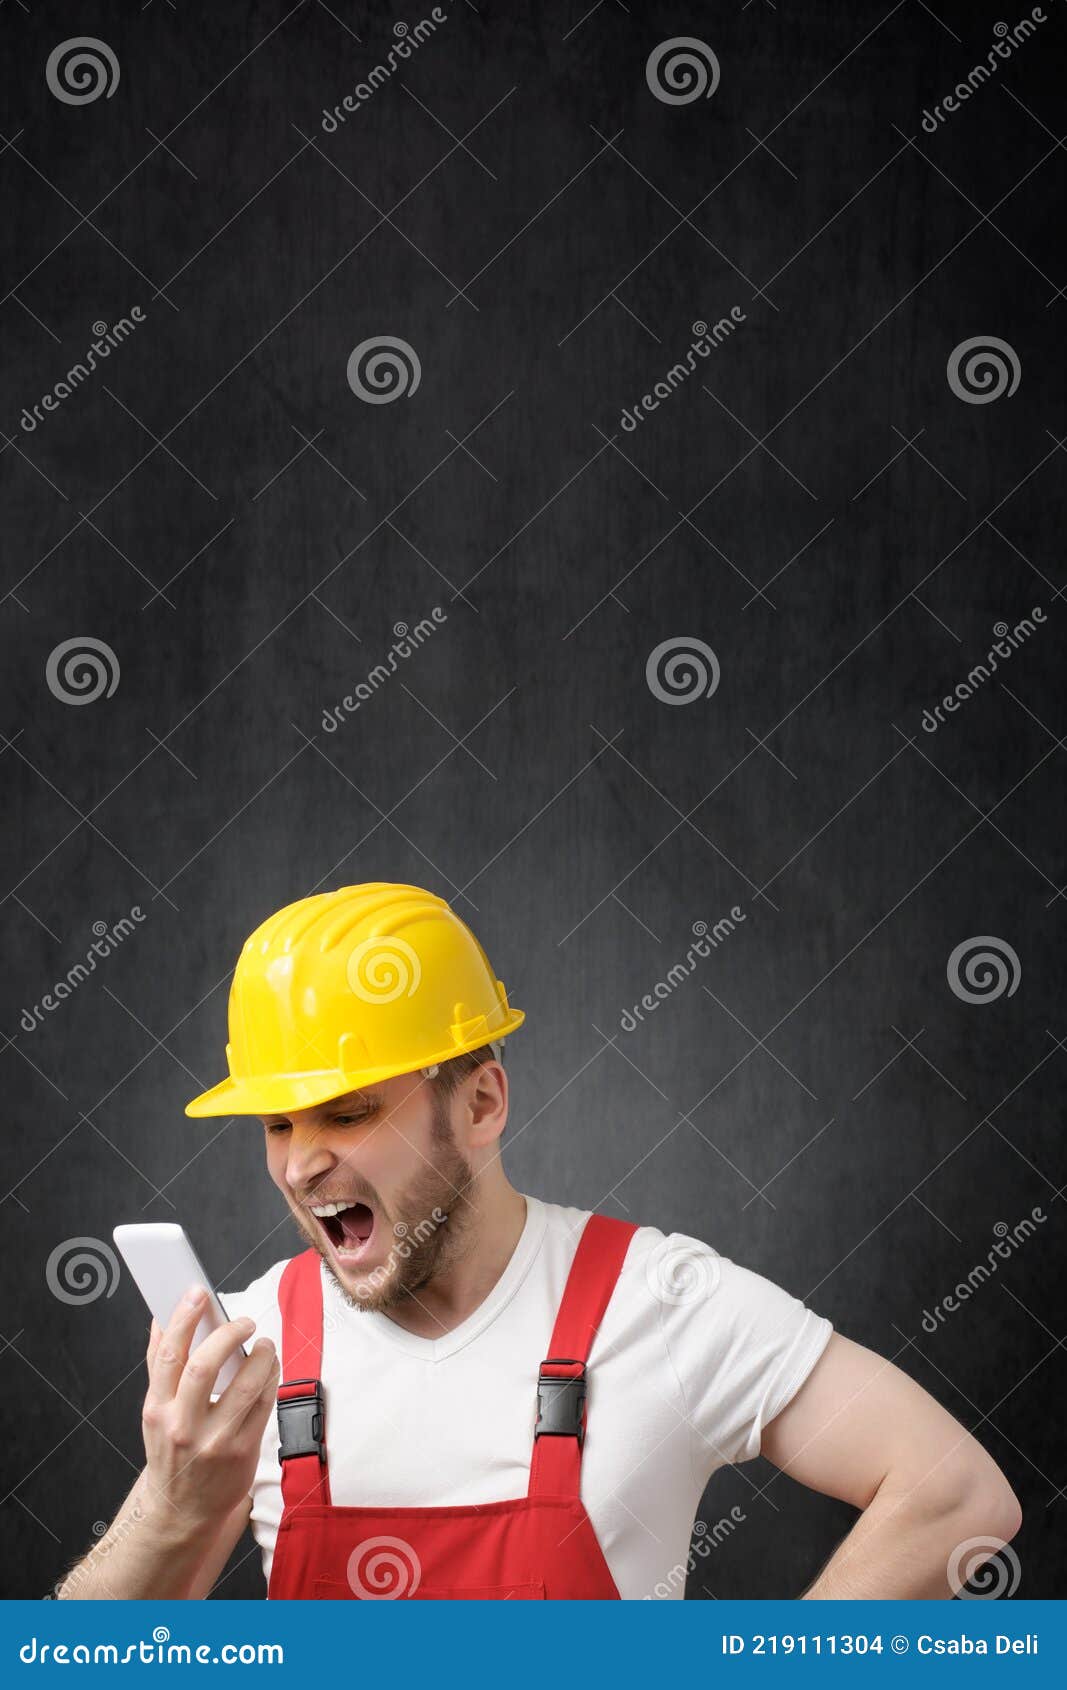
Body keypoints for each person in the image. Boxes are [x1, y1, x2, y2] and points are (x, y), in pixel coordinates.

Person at [56, 883, 1020, 1600]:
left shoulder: (662, 1301)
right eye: (276, 1125)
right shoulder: (255, 1344)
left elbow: (956, 1498)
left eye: (344, 1115)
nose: (301, 1165)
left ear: (478, 1103)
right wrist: (178, 1502)